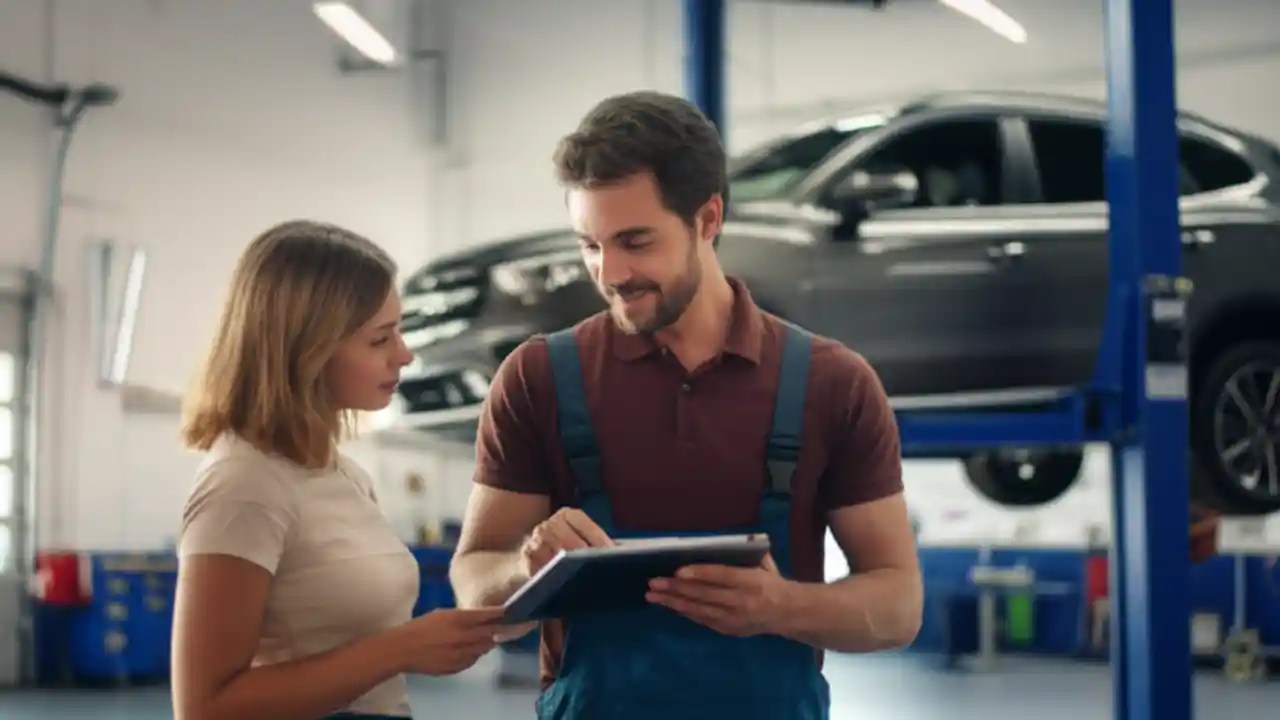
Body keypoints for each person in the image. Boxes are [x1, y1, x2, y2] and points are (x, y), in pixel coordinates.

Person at [449, 91, 923, 719]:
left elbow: (897, 606)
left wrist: (780, 607)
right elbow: (476, 584)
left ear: (708, 219)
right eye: (590, 245)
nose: (610, 273)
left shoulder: (832, 383)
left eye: (635, 242)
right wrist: (526, 568)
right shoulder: (536, 379)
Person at [172, 220, 503, 720]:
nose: (405, 355)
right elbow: (205, 708)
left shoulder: (343, 475)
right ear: (308, 351)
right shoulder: (243, 484)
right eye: (379, 340)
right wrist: (400, 649)